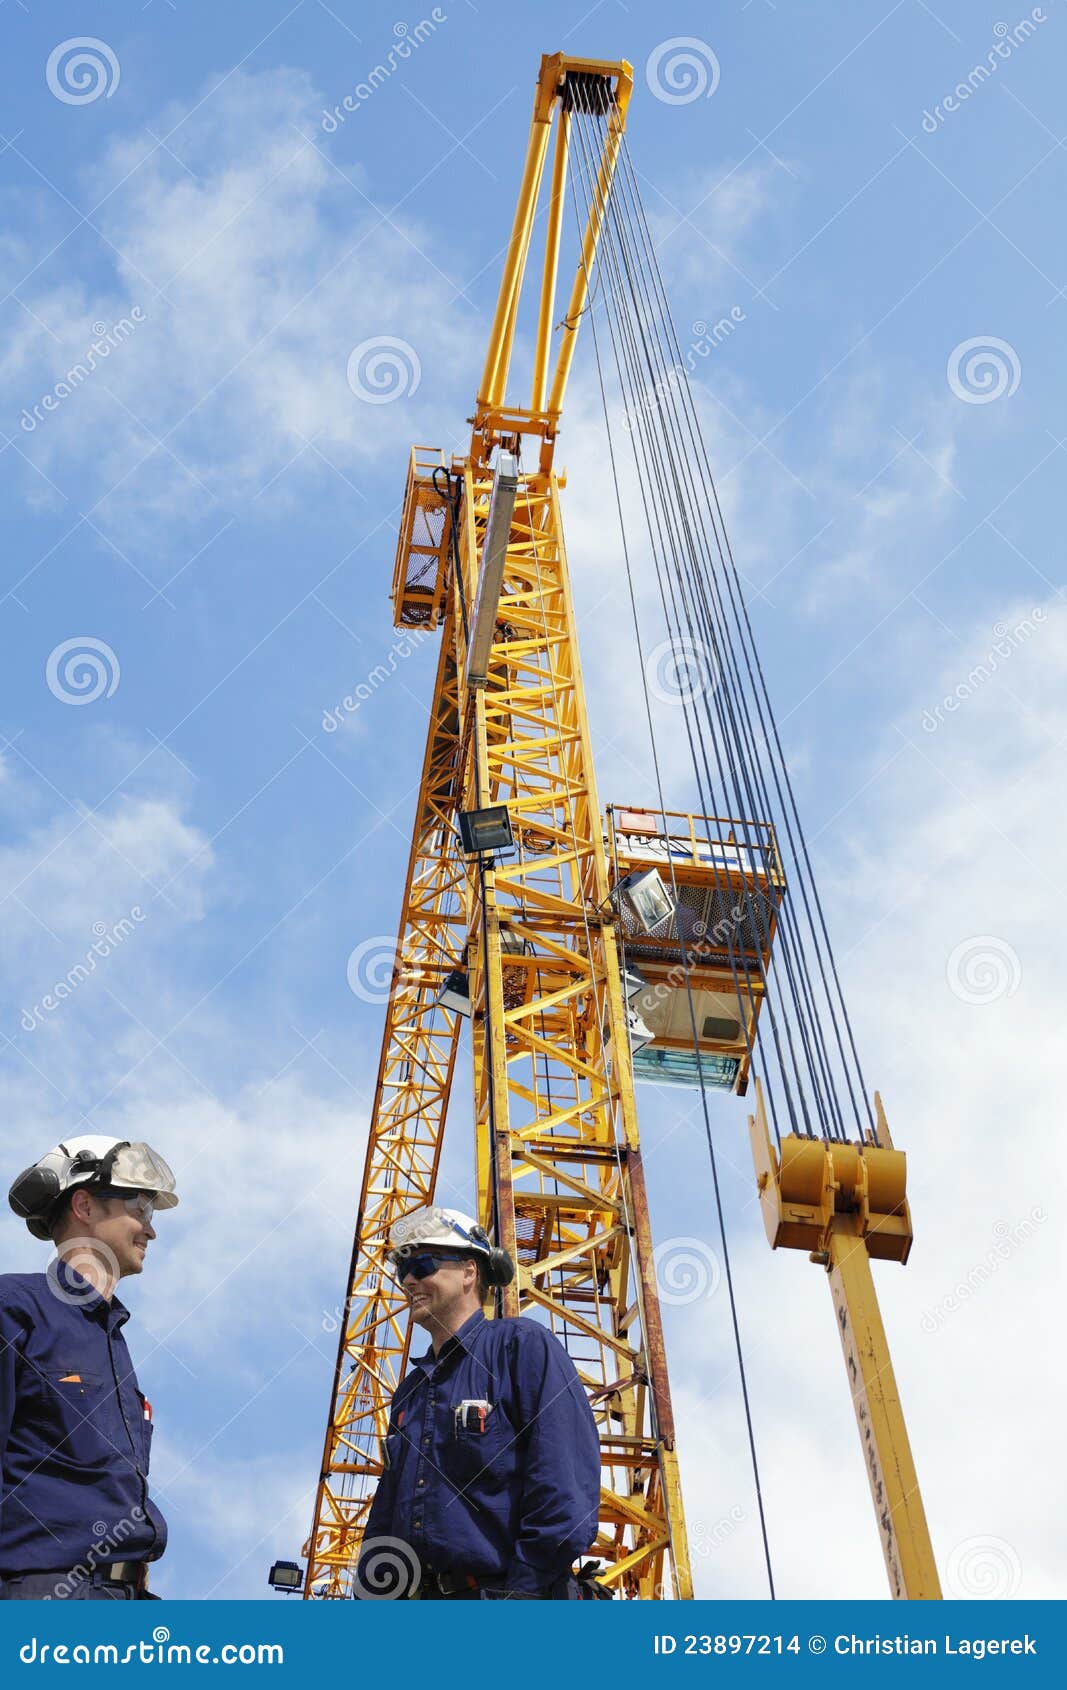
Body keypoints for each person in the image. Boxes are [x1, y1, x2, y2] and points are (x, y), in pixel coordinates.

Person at [357, 1205, 603, 1601]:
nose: (408, 1280)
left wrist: (520, 1597)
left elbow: (562, 1487)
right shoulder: (410, 1392)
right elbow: (386, 1512)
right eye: (401, 1272)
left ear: (470, 1271)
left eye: (422, 1265)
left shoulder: (520, 1347)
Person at [0, 1136, 177, 1600]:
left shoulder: (111, 1338)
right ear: (84, 1204)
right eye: (139, 1209)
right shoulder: (15, 1309)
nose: (150, 1230)